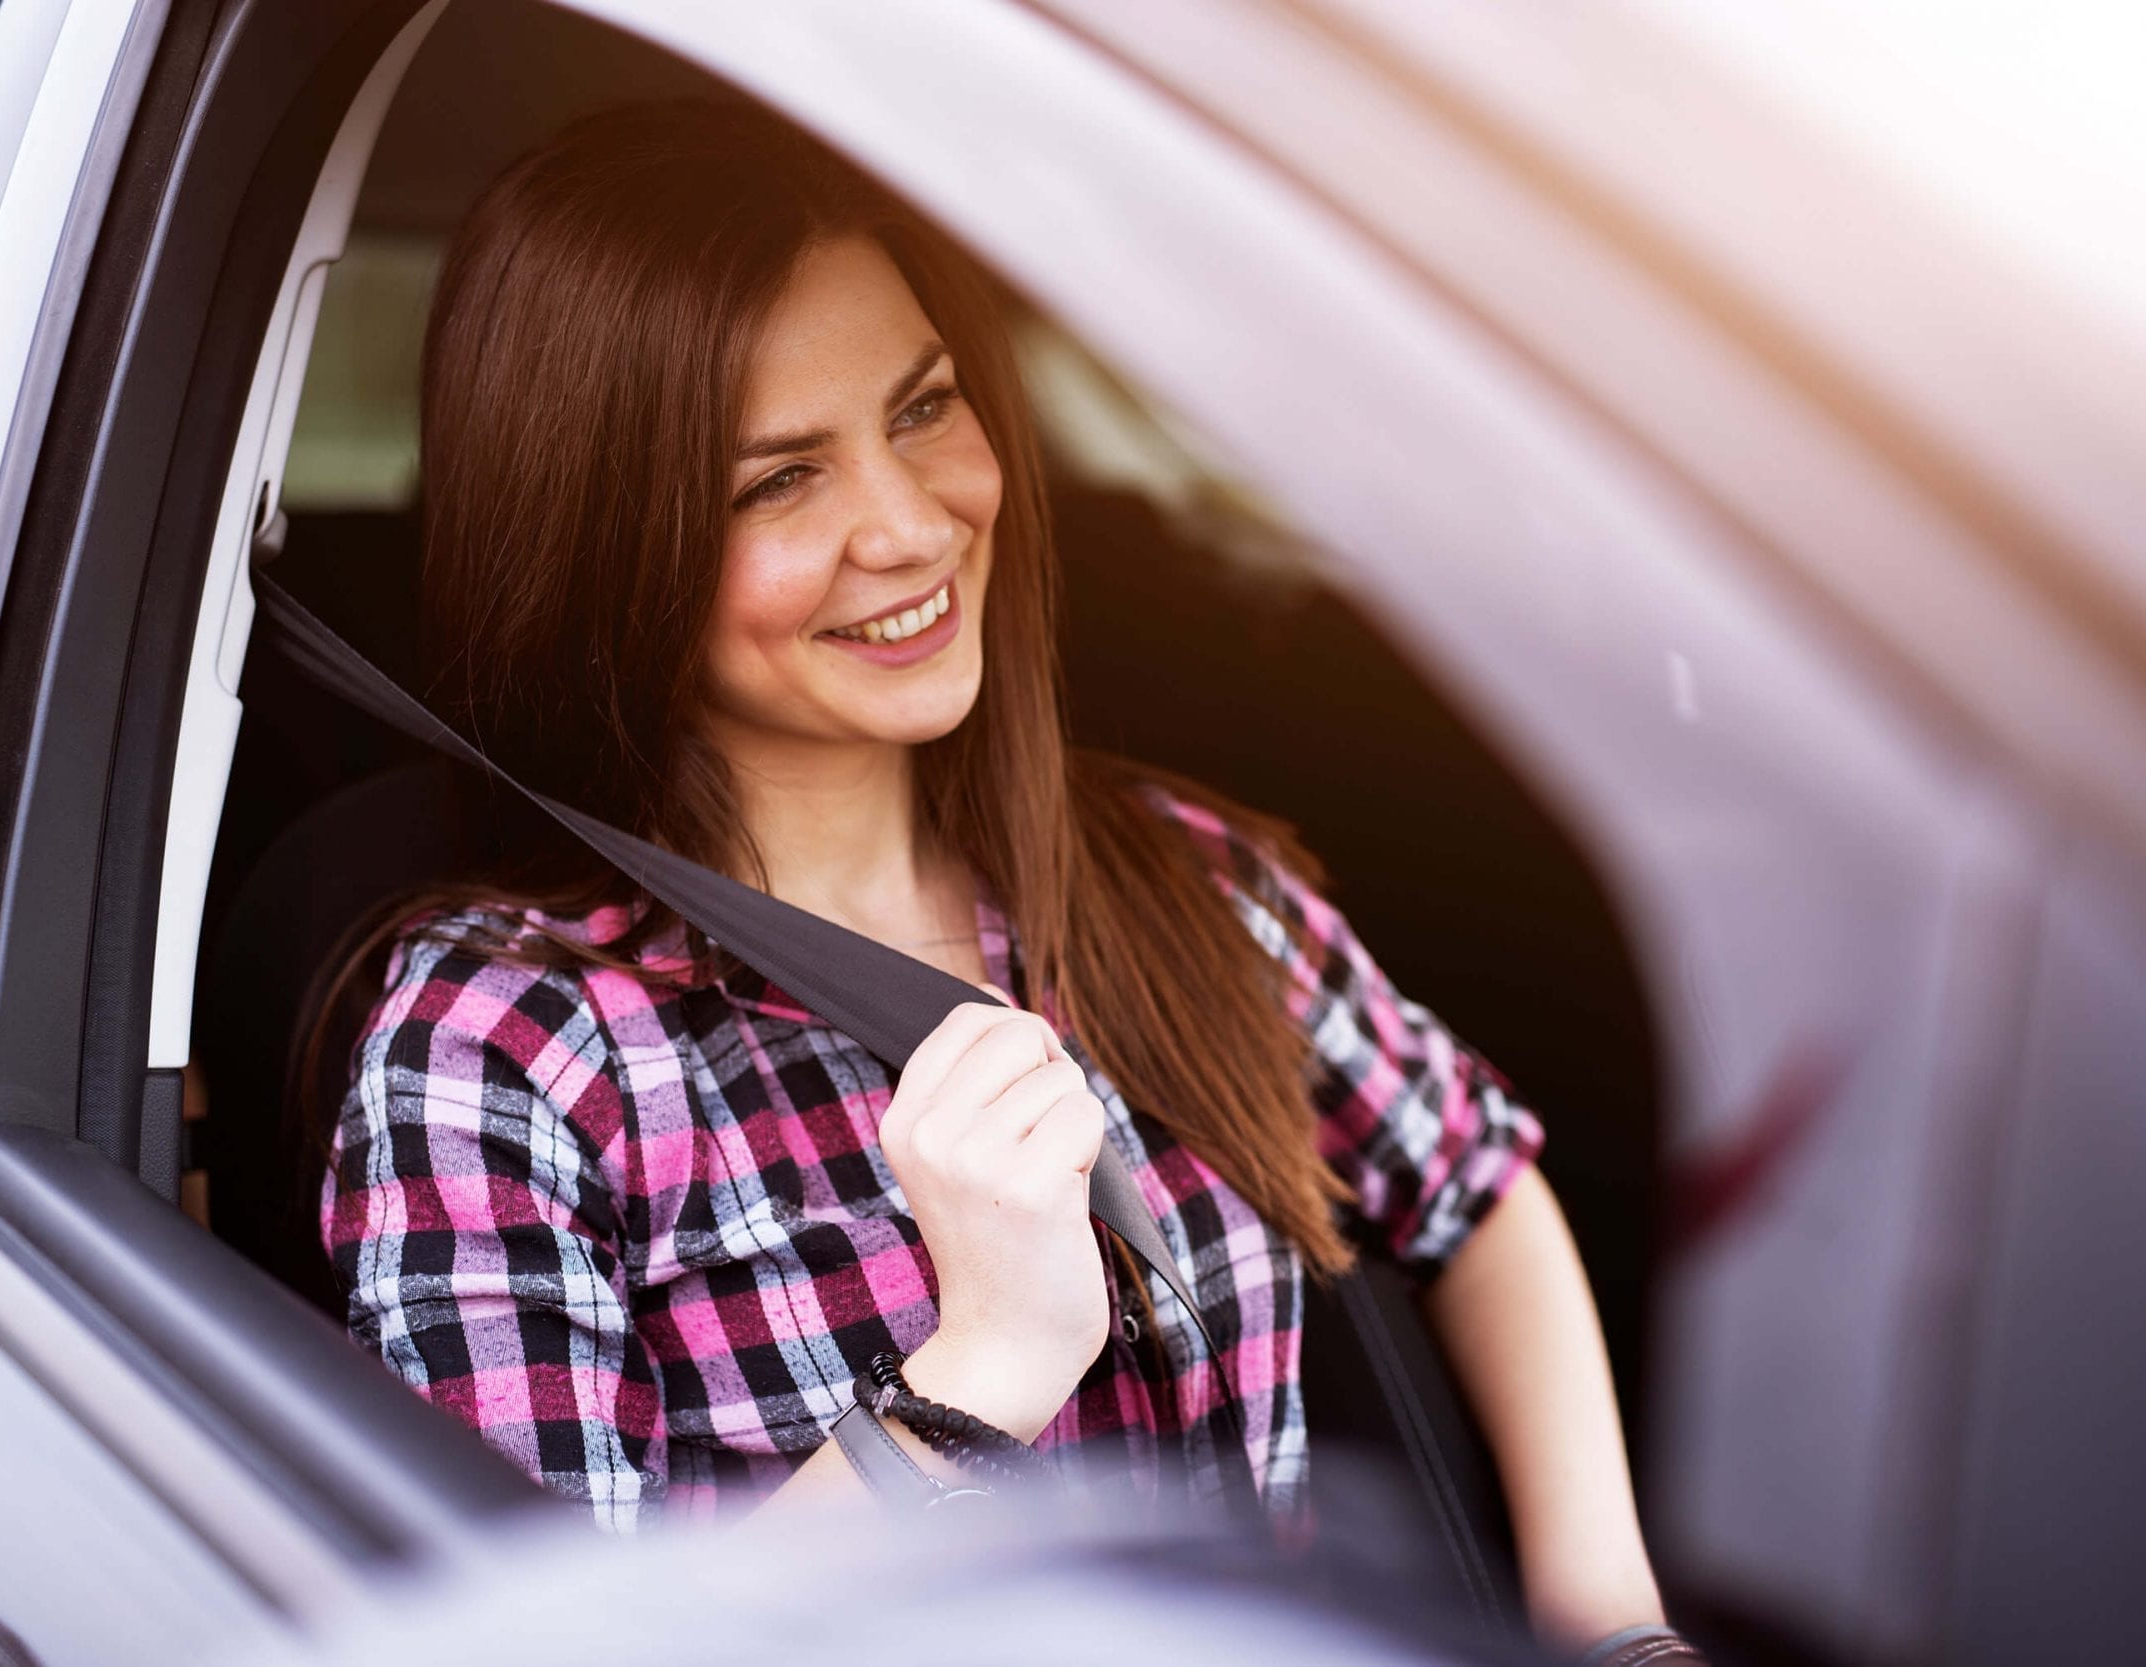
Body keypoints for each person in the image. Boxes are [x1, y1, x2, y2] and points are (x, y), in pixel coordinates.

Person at [315, 98, 1679, 1660]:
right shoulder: (506, 1057)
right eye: (777, 483)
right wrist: (978, 1374)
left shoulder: (1170, 882)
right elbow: (550, 1643)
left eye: (923, 408)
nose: (908, 524)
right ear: (608, 544)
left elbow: (1480, 1186)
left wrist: (1618, 1631)